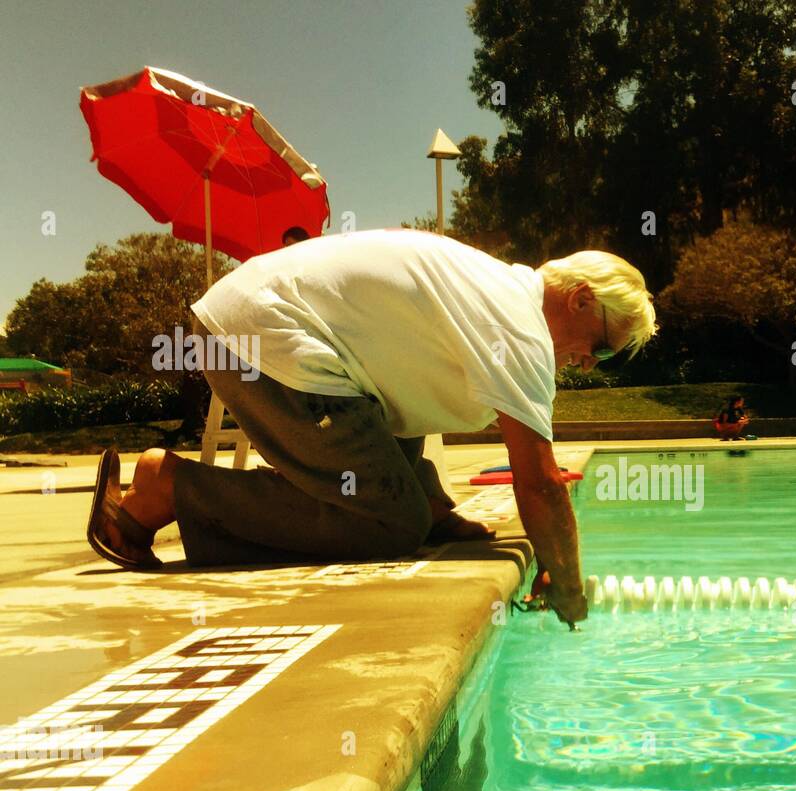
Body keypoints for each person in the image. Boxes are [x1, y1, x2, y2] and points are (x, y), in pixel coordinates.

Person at [85, 230, 658, 628]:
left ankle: (414, 505)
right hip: (260, 343)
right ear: (581, 299)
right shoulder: (520, 328)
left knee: (408, 509)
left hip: (252, 328)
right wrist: (568, 583)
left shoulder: (499, 290)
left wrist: (431, 501)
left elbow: (400, 391)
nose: (590, 363)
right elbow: (538, 483)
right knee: (390, 523)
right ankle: (171, 489)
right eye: (604, 349)